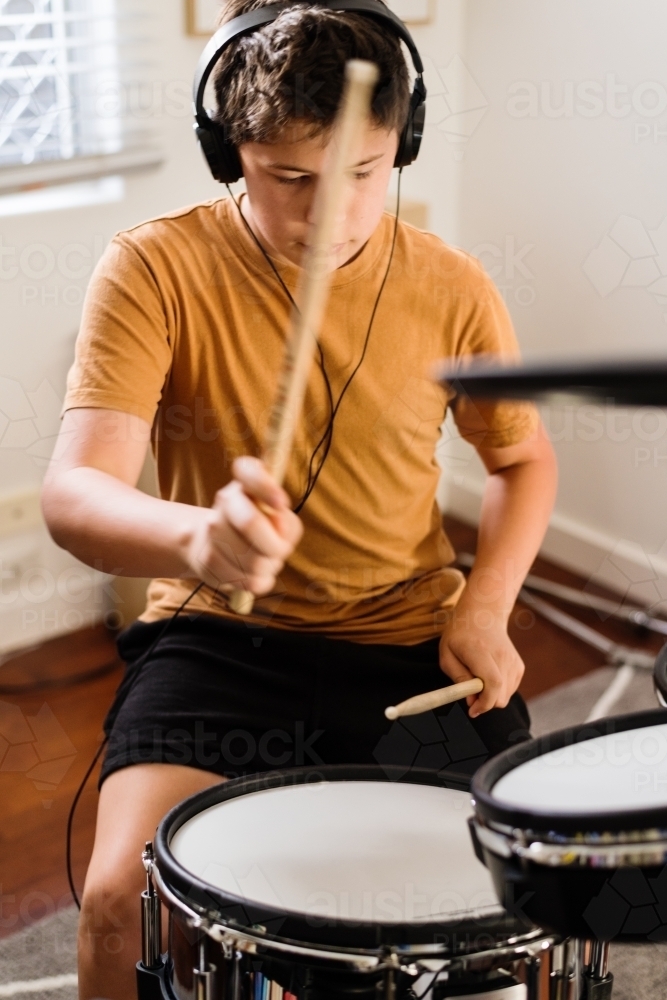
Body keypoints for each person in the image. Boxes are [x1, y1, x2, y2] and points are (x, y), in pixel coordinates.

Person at [41, 1, 557, 996]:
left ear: (398, 149)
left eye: (364, 175)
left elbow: (521, 462)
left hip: (411, 641)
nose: (333, 212)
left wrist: (486, 604)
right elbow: (75, 496)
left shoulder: (452, 286)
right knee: (121, 901)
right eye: (291, 179)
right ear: (228, 152)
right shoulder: (153, 266)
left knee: (502, 898)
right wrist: (197, 537)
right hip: (219, 644)